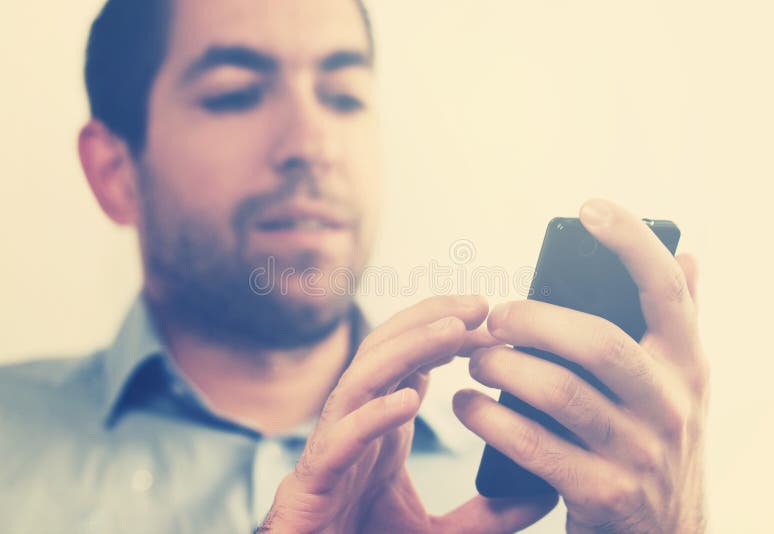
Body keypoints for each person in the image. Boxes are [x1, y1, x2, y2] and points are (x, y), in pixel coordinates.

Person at [0, 0, 710, 532]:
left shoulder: (557, 490)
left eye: (343, 97)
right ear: (115, 171)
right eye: (235, 95)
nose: (313, 144)